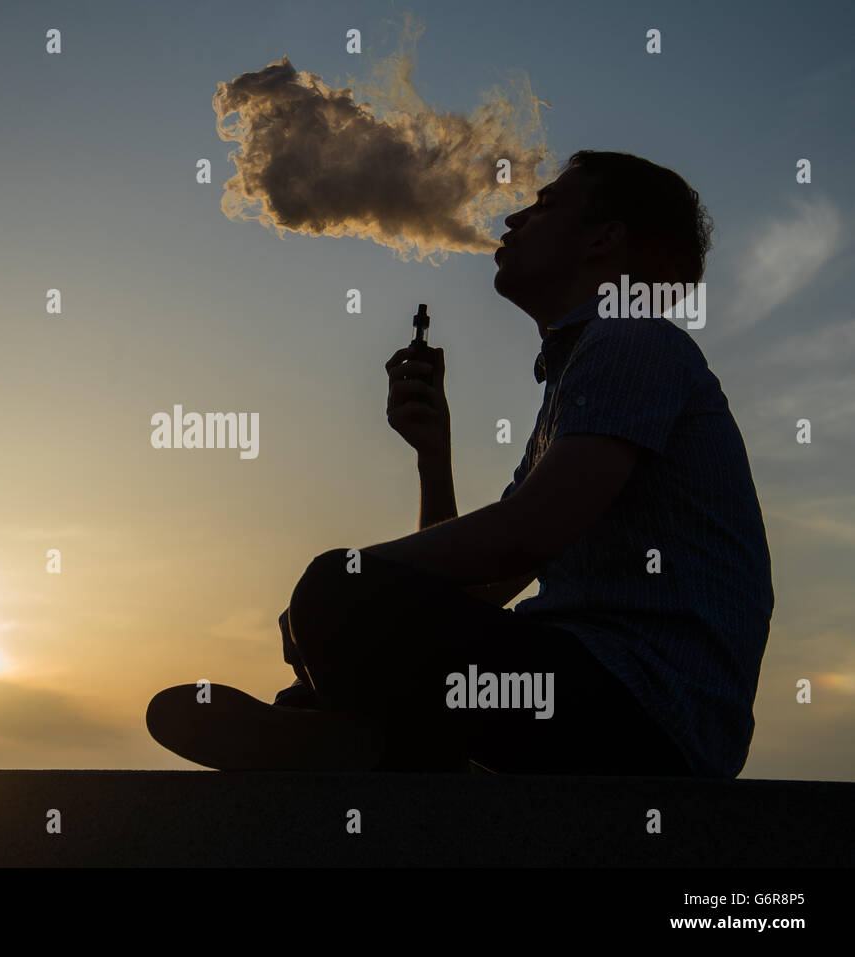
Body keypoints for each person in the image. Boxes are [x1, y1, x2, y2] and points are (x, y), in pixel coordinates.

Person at [148, 150, 773, 777]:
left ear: (605, 240)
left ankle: (364, 742)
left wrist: (341, 582)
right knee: (347, 598)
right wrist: (433, 456)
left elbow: (522, 539)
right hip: (604, 701)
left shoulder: (632, 336)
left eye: (545, 205)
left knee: (338, 587)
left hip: (644, 712)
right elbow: (477, 589)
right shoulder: (592, 368)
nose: (513, 218)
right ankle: (356, 738)